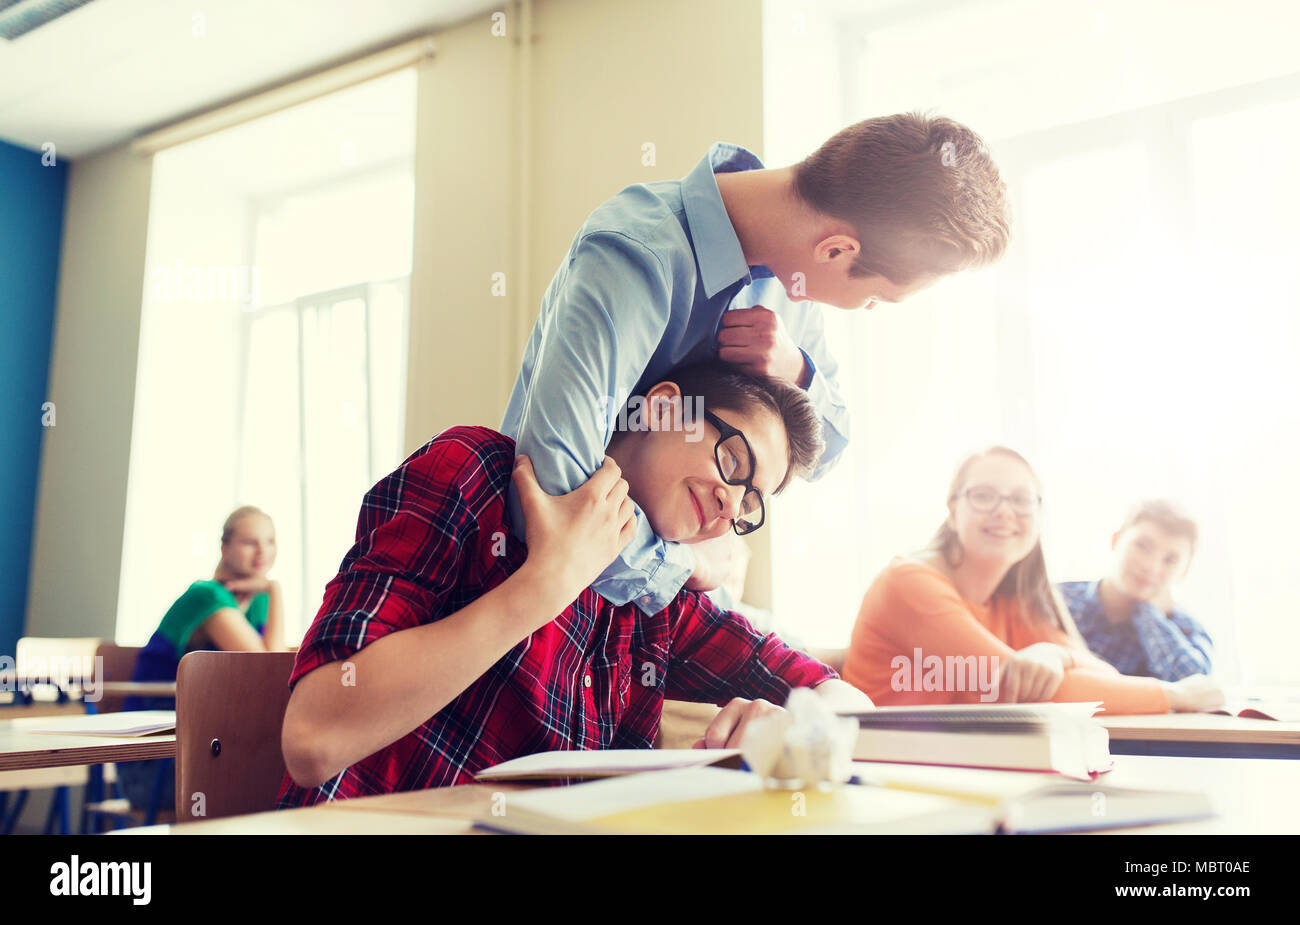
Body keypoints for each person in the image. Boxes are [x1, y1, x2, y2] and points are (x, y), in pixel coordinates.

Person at [277, 362, 872, 805]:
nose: (729, 501)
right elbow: (314, 736)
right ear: (662, 408)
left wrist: (797, 724)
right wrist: (544, 585)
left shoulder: (658, 596)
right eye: (733, 462)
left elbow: (849, 701)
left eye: (750, 502)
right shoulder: (477, 471)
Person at [502, 112, 1011, 620]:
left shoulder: (794, 285)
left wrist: (796, 371)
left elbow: (827, 451)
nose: (866, 308)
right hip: (544, 607)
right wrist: (687, 563)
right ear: (837, 249)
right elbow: (552, 495)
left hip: (658, 621)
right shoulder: (636, 255)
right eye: (877, 298)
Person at [840, 447, 1224, 714]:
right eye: (984, 495)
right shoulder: (909, 583)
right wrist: (1176, 694)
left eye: (1022, 499)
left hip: (953, 769)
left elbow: (1101, 674)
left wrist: (1057, 653)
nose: (1005, 512)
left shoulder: (1010, 598)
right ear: (952, 512)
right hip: (885, 775)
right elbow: (1032, 691)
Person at [116, 505, 284, 813]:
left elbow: (275, 675)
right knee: (279, 784)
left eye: (270, 541)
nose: (263, 551)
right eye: (250, 542)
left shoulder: (256, 602)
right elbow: (269, 667)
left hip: (204, 755)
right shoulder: (206, 595)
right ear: (225, 547)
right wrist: (276, 590)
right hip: (155, 767)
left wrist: (269, 594)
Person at [1059, 500, 1213, 681]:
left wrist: (1149, 615)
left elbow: (1196, 685)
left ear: (1184, 571)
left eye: (1170, 560)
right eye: (1142, 546)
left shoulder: (1187, 630)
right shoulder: (1057, 598)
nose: (1151, 566)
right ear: (1116, 540)